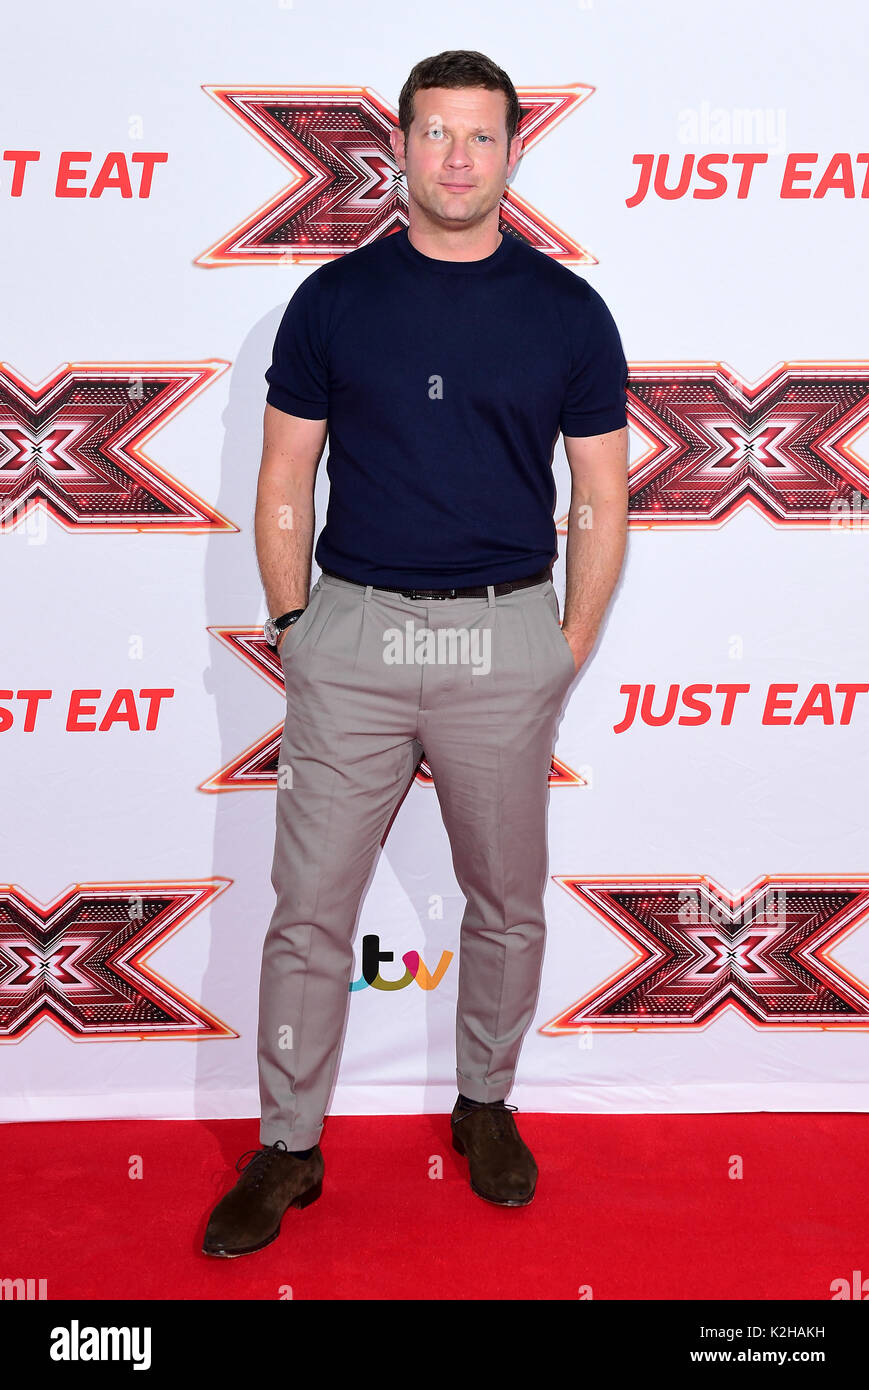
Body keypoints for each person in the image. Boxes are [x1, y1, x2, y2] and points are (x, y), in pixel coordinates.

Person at [203, 48, 629, 1258]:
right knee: (307, 911)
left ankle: (483, 1104)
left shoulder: (566, 313)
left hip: (504, 635)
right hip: (353, 632)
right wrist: (296, 628)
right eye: (434, 134)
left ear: (509, 152)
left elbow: (601, 494)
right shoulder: (334, 300)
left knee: (503, 902)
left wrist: (566, 644)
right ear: (397, 147)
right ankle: (288, 1145)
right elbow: (284, 475)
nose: (455, 157)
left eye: (479, 137)